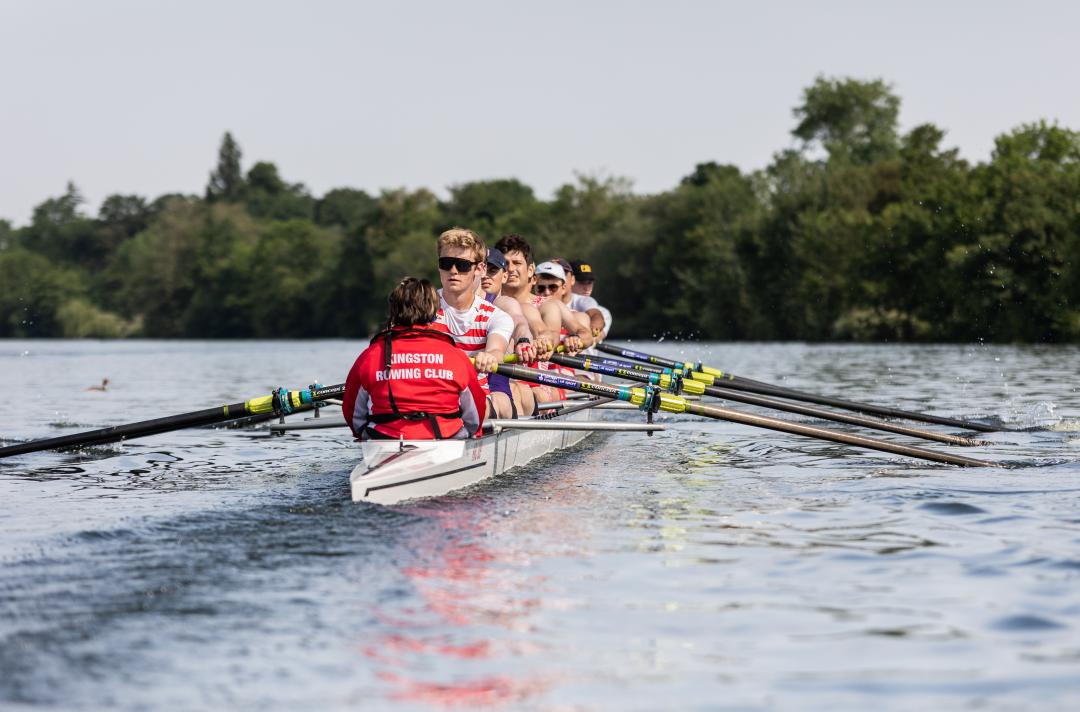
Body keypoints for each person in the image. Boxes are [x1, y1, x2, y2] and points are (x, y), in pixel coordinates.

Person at [342, 277, 484, 441]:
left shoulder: (370, 355)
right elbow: (476, 413)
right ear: (433, 314)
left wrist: (362, 433)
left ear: (394, 312)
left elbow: (351, 410)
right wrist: (471, 433)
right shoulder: (456, 355)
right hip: (446, 438)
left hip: (385, 439)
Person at [433, 228, 516, 419]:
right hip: (432, 397)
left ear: (480, 269)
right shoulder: (423, 309)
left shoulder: (496, 317)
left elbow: (496, 351)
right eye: (446, 263)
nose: (453, 271)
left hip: (477, 399)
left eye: (462, 265)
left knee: (501, 401)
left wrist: (490, 357)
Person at [569, 260, 611, 338]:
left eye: (589, 283)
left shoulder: (603, 312)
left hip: (583, 347)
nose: (587, 288)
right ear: (570, 281)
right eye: (581, 283)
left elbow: (596, 338)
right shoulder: (554, 304)